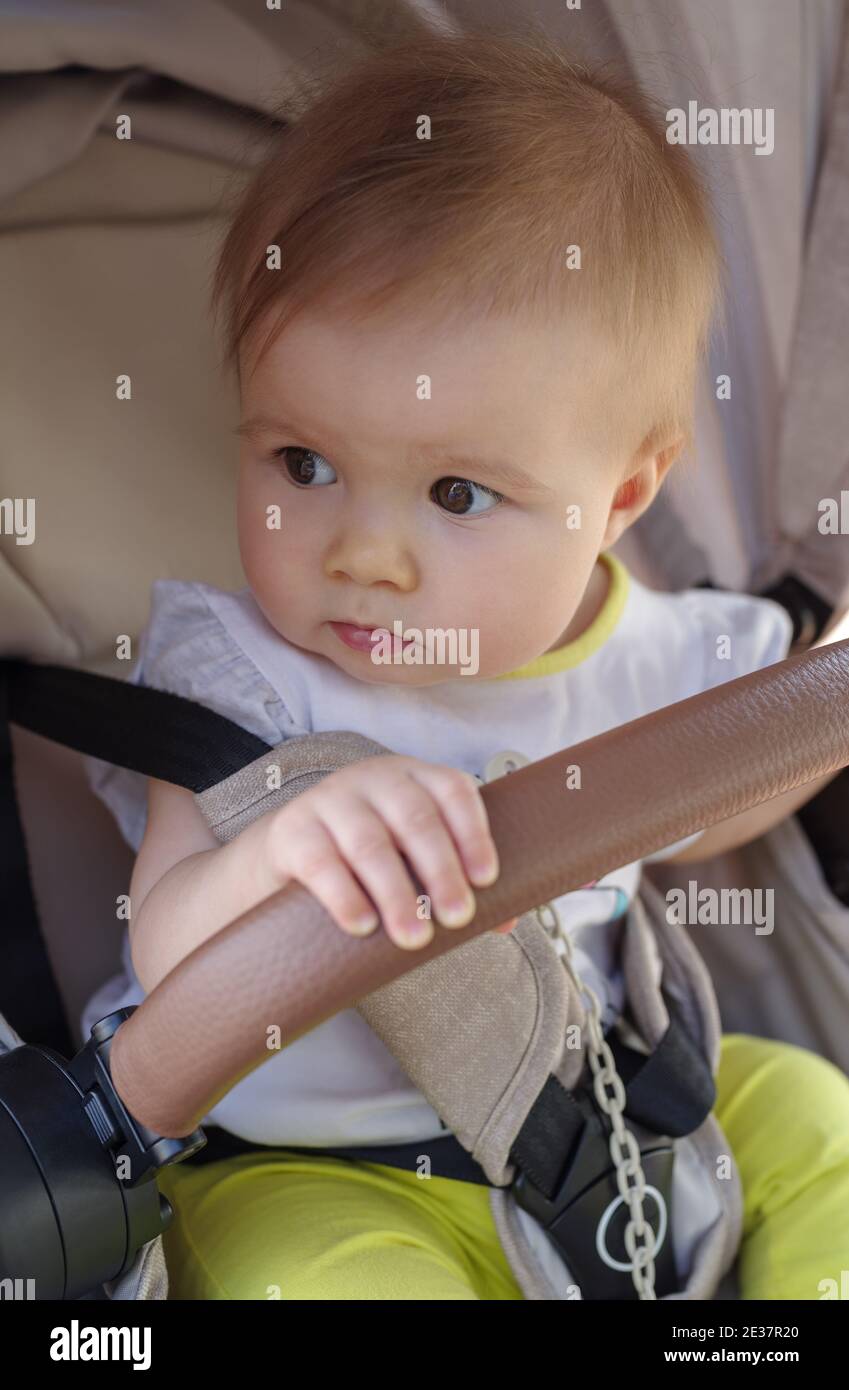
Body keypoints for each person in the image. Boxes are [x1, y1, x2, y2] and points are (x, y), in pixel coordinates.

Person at [83, 26, 849, 1300]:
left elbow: (738, 793)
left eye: (454, 491)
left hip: (609, 1130)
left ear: (618, 498)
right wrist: (287, 843)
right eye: (302, 465)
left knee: (815, 1111)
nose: (364, 555)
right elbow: (164, 945)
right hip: (302, 1165)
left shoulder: (658, 651)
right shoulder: (237, 675)